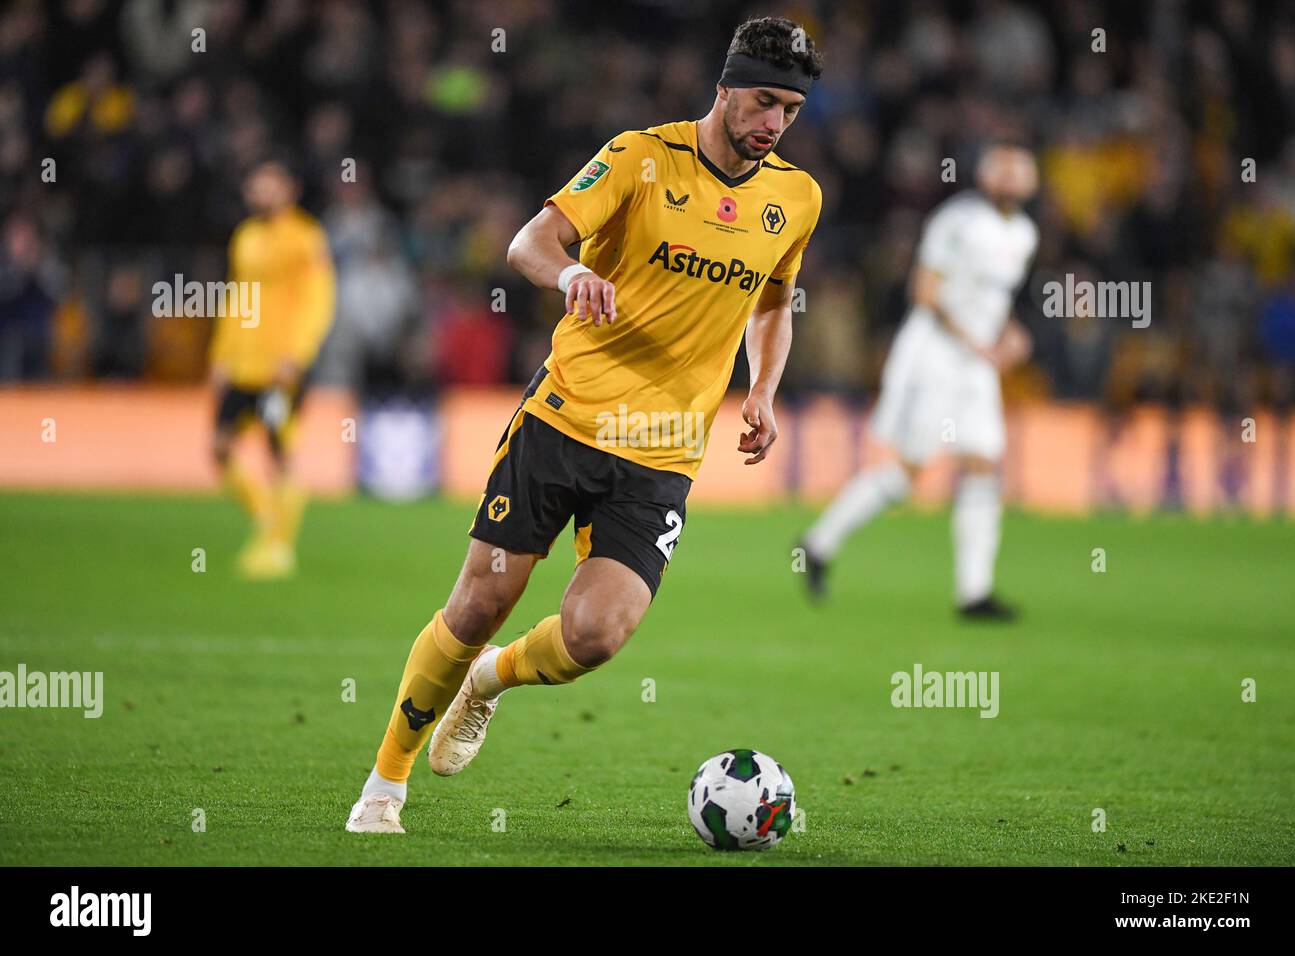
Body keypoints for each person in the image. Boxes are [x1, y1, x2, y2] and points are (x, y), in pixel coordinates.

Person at [347, 16, 824, 833]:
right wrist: (570, 272)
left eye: (789, 109)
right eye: (762, 101)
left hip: (663, 452)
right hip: (565, 419)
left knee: (597, 634)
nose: (773, 123)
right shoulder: (641, 157)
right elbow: (529, 240)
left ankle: (488, 683)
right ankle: (384, 785)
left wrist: (764, 388)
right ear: (724, 89)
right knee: (476, 605)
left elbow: (774, 301)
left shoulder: (795, 197)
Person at [800, 143, 1039, 619]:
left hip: (976, 363)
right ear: (987, 178)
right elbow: (926, 291)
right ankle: (817, 542)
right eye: (1004, 172)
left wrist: (1012, 336)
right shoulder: (958, 221)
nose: (1012, 182)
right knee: (909, 472)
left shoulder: (1026, 234)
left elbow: (993, 301)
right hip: (934, 357)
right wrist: (977, 342)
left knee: (983, 464)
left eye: (1020, 174)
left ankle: (975, 593)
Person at [209, 157, 336, 579]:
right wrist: (221, 355)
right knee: (220, 447)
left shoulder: (305, 237)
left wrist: (296, 355)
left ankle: (279, 547)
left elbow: (318, 300)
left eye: (270, 185)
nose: (261, 193)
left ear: (289, 189)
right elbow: (235, 298)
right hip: (242, 364)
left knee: (278, 453)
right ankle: (267, 519)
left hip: (280, 369)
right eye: (256, 185)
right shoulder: (245, 237)